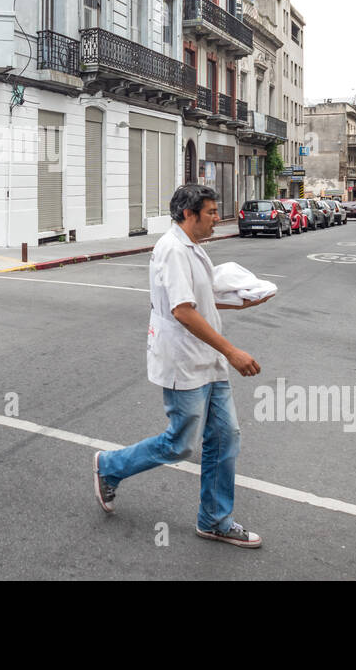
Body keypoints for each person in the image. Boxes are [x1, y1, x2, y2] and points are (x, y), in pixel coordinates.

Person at [92, 183, 271, 549]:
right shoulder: (173, 250)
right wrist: (233, 351)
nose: (217, 219)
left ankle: (215, 520)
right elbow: (183, 311)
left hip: (208, 361)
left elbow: (198, 301)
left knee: (225, 437)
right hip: (183, 363)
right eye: (210, 213)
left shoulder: (194, 248)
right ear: (188, 214)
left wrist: (241, 303)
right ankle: (110, 466)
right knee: (180, 444)